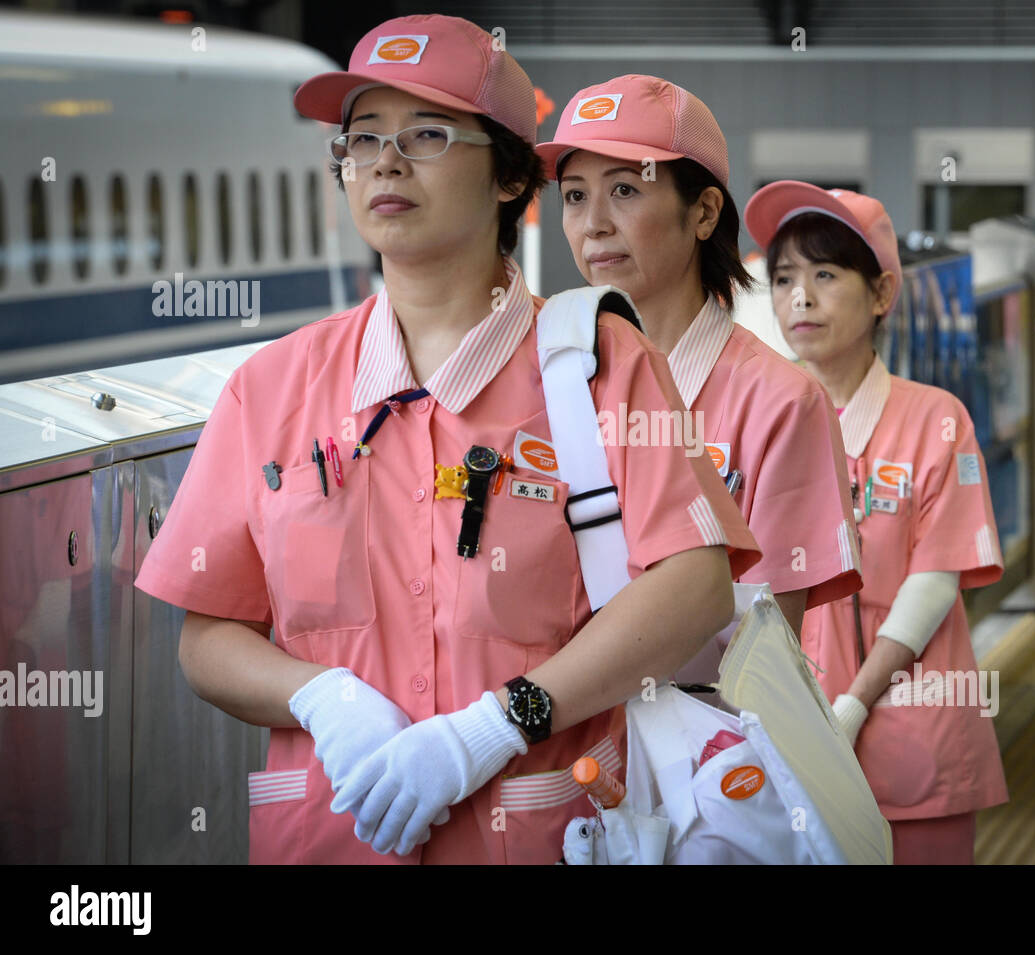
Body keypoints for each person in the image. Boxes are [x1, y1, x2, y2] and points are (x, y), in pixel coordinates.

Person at [133, 14, 761, 865]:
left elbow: (695, 588)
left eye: (427, 134)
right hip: (326, 840)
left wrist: (500, 724)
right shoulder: (270, 389)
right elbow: (208, 640)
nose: (385, 162)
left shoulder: (601, 365)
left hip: (542, 834)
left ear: (509, 177)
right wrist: (321, 697)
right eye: (362, 139)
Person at [534, 75, 861, 668]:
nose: (594, 224)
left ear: (705, 212)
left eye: (626, 190)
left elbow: (764, 656)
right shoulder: (546, 383)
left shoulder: (781, 405)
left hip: (698, 751)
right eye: (576, 196)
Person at [743, 182, 1009, 865]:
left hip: (915, 738)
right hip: (790, 744)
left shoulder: (934, 419)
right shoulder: (759, 419)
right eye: (783, 278)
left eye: (826, 275)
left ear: (882, 293)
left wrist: (855, 704)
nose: (799, 297)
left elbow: (935, 580)